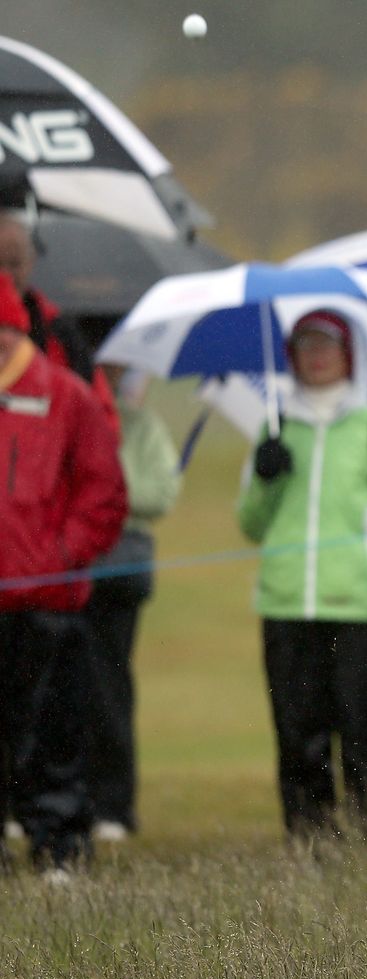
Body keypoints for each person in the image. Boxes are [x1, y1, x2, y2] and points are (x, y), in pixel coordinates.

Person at [236, 308, 367, 838]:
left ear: (349, 355)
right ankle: (310, 848)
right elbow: (250, 524)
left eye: (327, 346)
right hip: (287, 607)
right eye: (304, 347)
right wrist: (266, 476)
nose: (316, 358)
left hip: (359, 610)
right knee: (299, 739)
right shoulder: (274, 430)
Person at [0, 272, 127, 875]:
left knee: (54, 734)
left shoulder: (68, 395)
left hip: (48, 603)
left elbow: (104, 492)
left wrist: (62, 553)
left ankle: (59, 850)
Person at [82, 365, 182, 840]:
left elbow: (159, 492)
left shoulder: (142, 426)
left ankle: (112, 806)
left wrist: (105, 490)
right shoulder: (72, 411)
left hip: (120, 571)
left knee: (108, 683)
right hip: (68, 565)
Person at [0, 214, 113, 431]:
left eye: (14, 263)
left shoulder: (60, 335)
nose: (4, 275)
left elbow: (102, 427)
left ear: (31, 263)